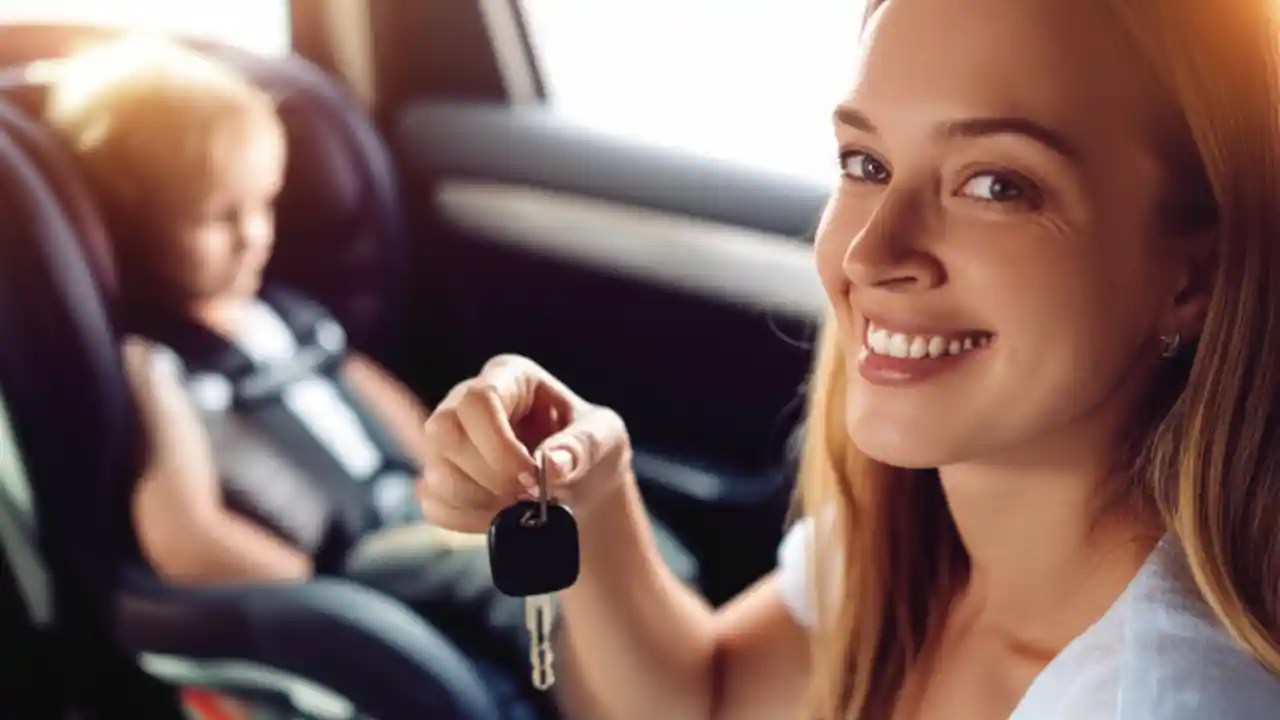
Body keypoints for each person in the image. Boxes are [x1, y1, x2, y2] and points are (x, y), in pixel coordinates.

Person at [416, 0, 1280, 717]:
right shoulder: (910, 552)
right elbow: (709, 699)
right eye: (866, 163)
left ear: (1191, 278)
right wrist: (592, 494)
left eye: (995, 184)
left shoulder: (1169, 701)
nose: (870, 254)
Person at [45, 36, 697, 718]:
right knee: (543, 586)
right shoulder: (161, 365)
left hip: (416, 513)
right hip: (353, 559)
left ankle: (682, 649)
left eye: (262, 205)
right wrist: (319, 596)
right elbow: (184, 533)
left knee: (595, 532)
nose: (252, 235)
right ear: (129, 222)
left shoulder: (286, 316)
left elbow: (377, 397)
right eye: (217, 218)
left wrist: (456, 483)